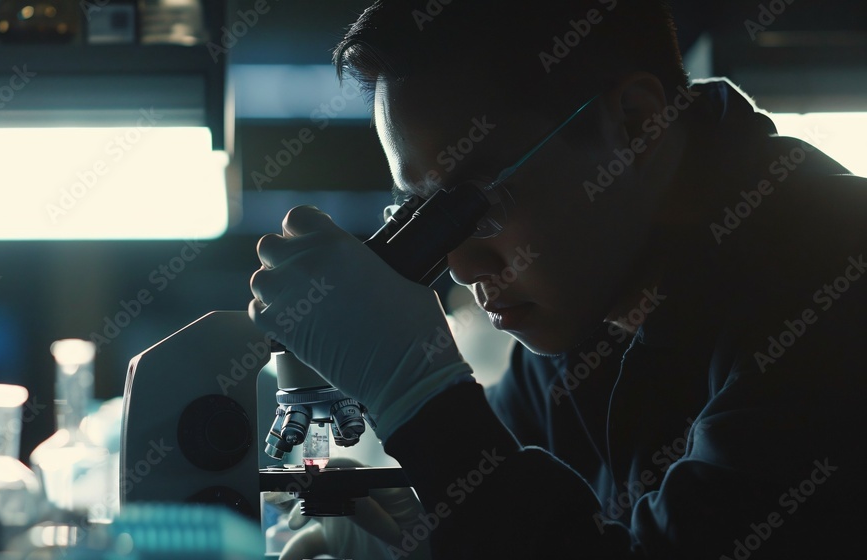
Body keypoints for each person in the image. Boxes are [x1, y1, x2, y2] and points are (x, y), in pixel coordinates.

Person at [248, 1, 867, 558]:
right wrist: (417, 532)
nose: (462, 267)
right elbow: (520, 506)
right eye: (422, 215)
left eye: (475, 204)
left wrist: (417, 395)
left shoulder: (837, 287)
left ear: (635, 123)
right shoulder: (588, 309)